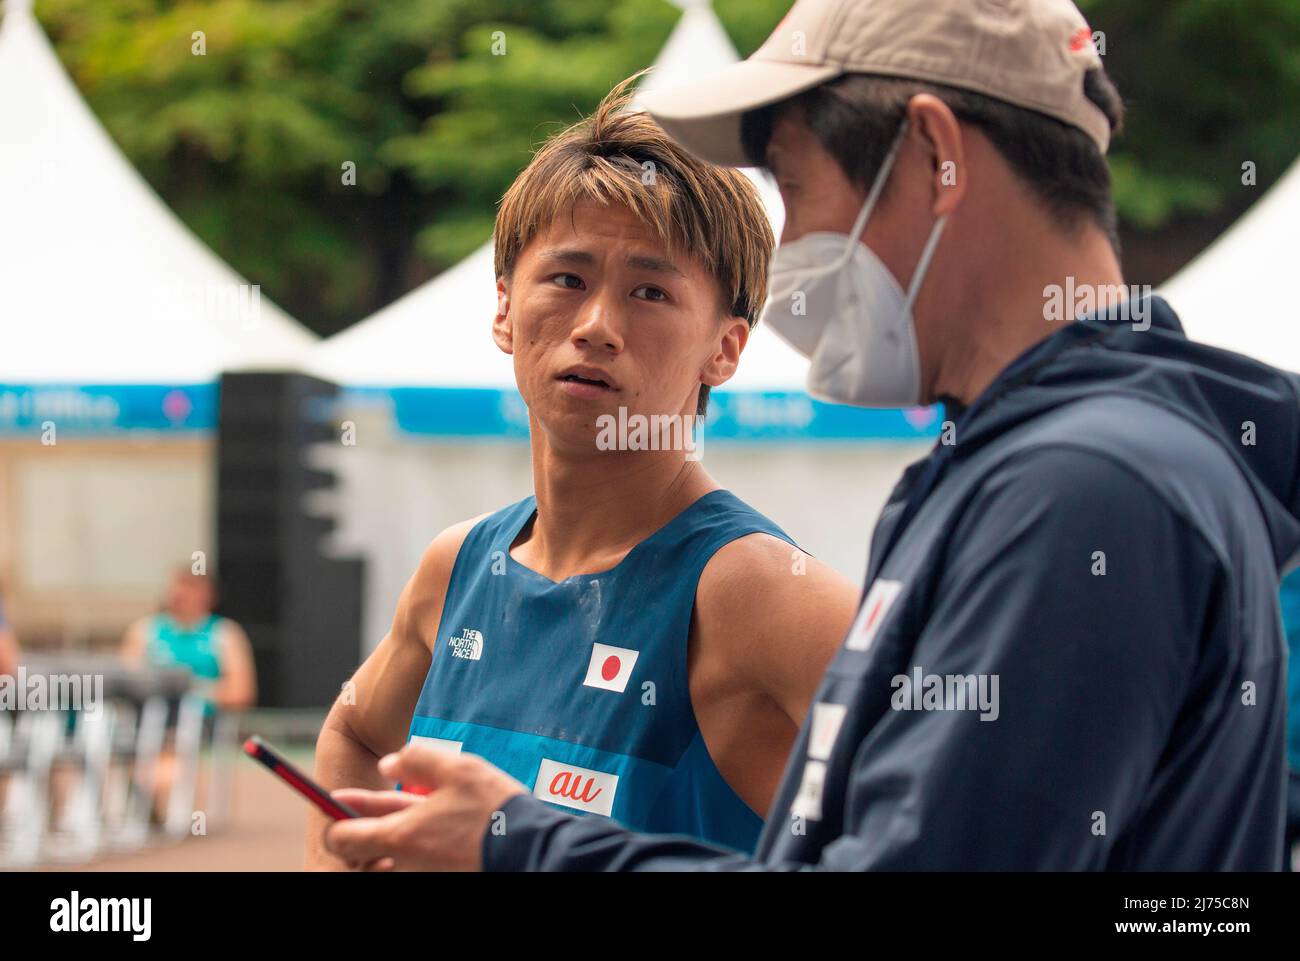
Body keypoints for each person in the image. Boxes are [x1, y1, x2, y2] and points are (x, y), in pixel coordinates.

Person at [321, 0, 1297, 872]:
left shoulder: (1083, 484)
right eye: (567, 279)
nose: (785, 252)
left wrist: (520, 840)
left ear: (933, 158)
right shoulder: (1038, 463)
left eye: (794, 185)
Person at [304, 79, 859, 868]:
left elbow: (962, 831)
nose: (596, 326)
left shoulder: (762, 590)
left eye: (650, 290)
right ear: (504, 308)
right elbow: (353, 733)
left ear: (726, 348)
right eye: (567, 279)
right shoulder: (456, 566)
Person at [121, 567, 257, 715]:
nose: (182, 594)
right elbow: (125, 683)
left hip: (206, 726)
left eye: (191, 587)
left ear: (209, 594)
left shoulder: (226, 633)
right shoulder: (145, 630)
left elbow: (242, 693)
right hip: (155, 724)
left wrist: (193, 690)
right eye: (178, 586)